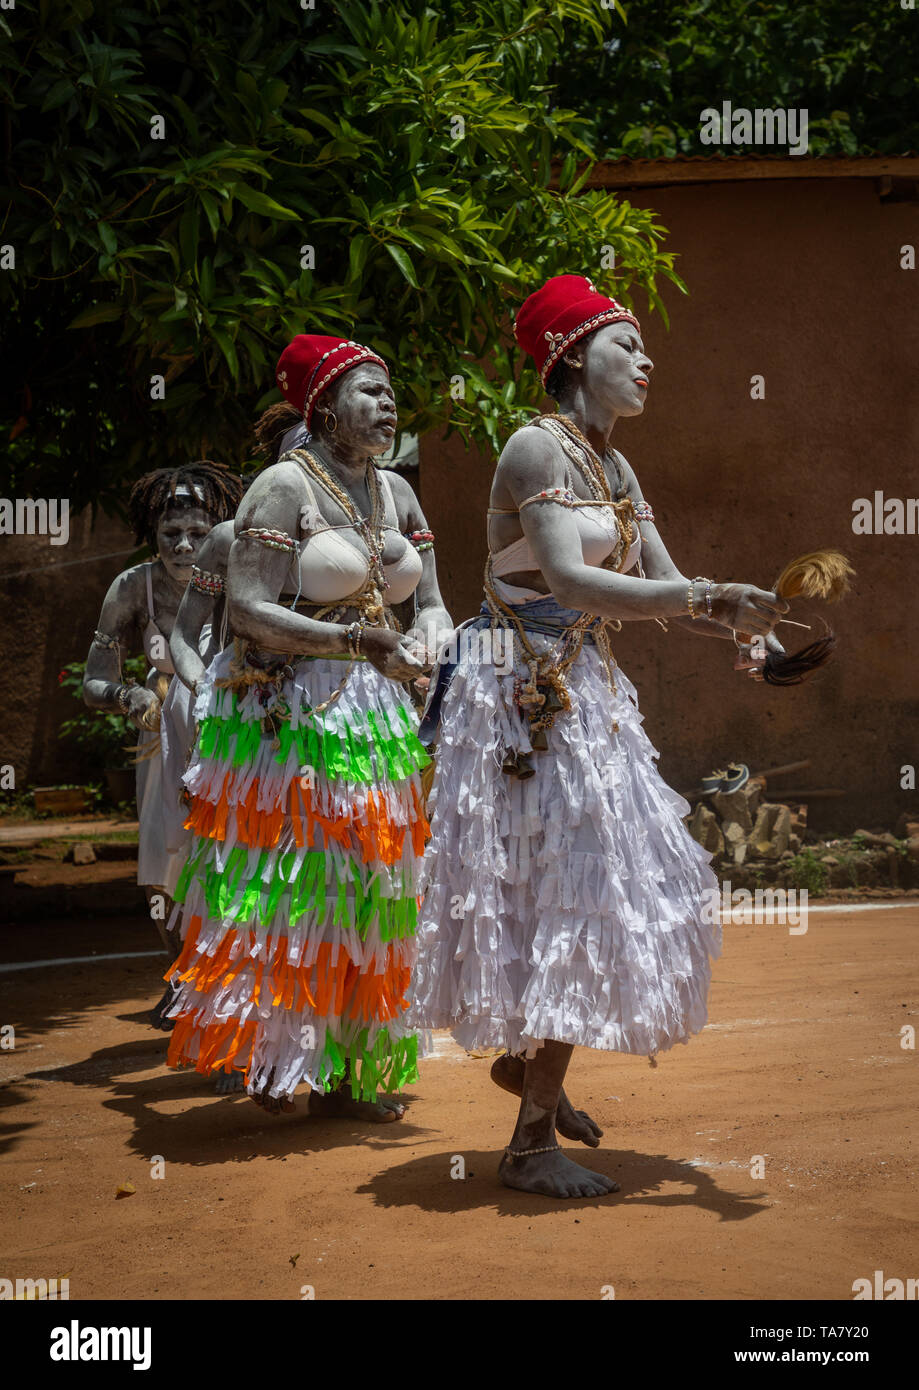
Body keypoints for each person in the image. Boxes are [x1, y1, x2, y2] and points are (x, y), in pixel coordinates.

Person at [409, 275, 788, 1197]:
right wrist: (707, 598)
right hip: (517, 694)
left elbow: (666, 584)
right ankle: (530, 1142)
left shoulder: (616, 471)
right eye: (627, 346)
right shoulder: (534, 447)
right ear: (573, 354)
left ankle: (532, 1082)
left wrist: (747, 632)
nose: (648, 360)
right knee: (570, 892)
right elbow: (574, 584)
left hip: (581, 691)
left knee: (592, 891)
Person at [164, 334, 453, 1121]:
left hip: (376, 711)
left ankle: (354, 1069)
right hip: (286, 711)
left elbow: (427, 600)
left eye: (390, 392)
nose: (386, 404)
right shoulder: (281, 487)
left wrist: (433, 642)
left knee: (373, 885)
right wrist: (353, 640)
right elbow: (249, 611)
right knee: (290, 890)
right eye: (367, 391)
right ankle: (280, 1058)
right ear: (321, 406)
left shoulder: (395, 492)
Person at [82, 462, 244, 1025]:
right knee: (164, 860)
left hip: (231, 729)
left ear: (219, 531)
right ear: (153, 534)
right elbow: (92, 680)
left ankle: (235, 984)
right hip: (162, 741)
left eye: (198, 534)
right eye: (171, 534)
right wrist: (130, 697)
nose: (183, 545)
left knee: (234, 851)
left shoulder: (242, 575)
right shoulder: (134, 588)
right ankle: (181, 976)